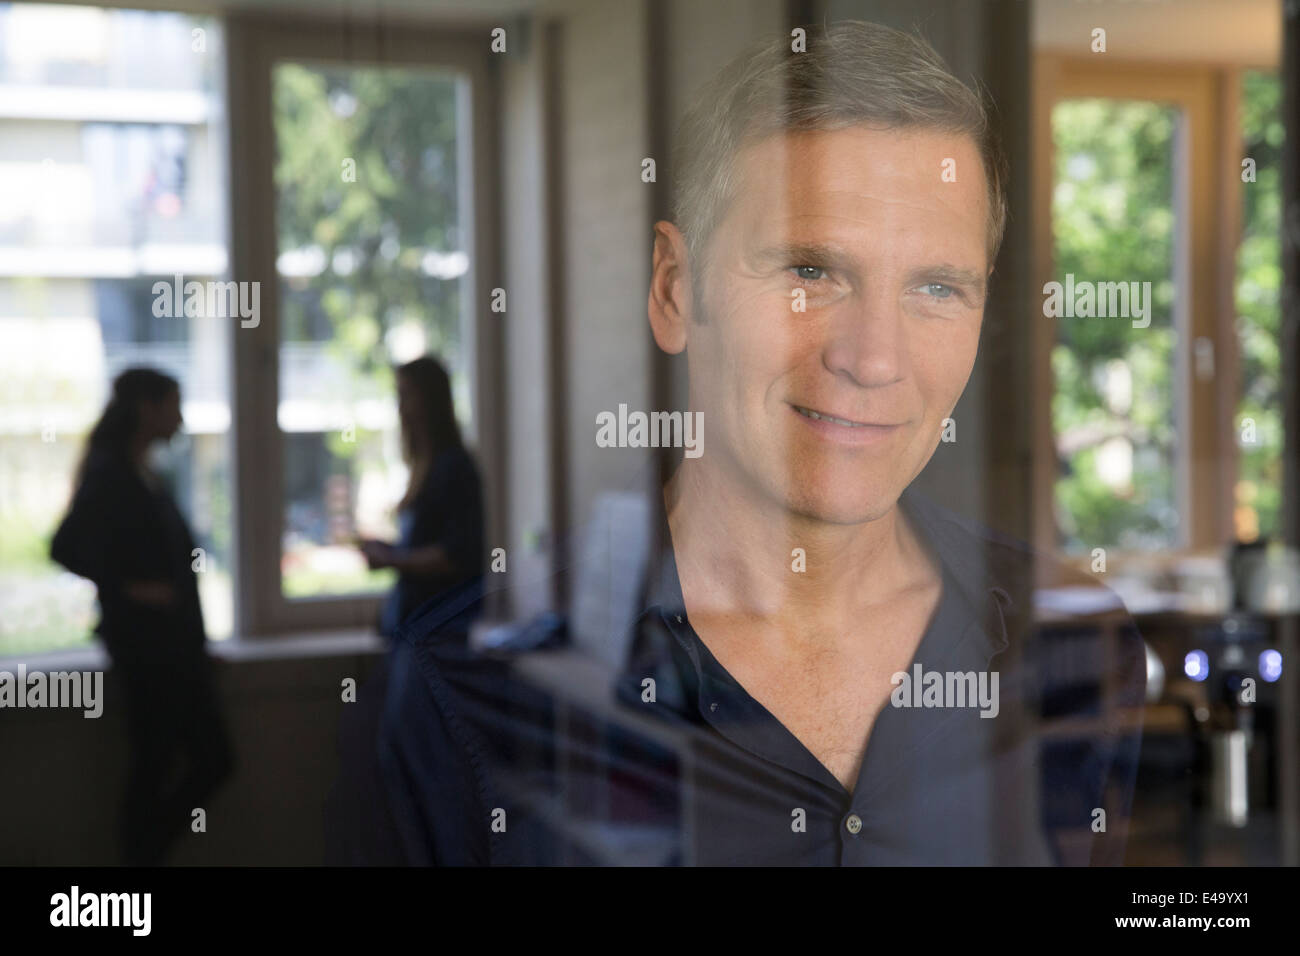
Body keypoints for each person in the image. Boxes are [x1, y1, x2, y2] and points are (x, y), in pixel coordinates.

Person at [330, 21, 1145, 865]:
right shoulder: (469, 697)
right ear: (676, 291)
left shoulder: (1076, 658)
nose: (872, 359)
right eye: (810, 271)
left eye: (936, 287)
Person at [50, 366, 234, 866]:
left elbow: (174, 569)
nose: (180, 417)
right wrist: (129, 589)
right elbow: (65, 546)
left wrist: (196, 646)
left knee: (183, 762)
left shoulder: (145, 472)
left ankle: (144, 861)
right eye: (174, 404)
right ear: (146, 409)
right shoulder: (113, 473)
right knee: (162, 765)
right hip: (148, 652)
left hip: (173, 650)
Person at [357, 355, 485, 641]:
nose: (400, 407)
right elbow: (427, 545)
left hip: (438, 635)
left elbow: (455, 556)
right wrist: (390, 551)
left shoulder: (454, 469)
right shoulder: (425, 468)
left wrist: (391, 559)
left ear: (430, 401)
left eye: (406, 395)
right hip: (417, 628)